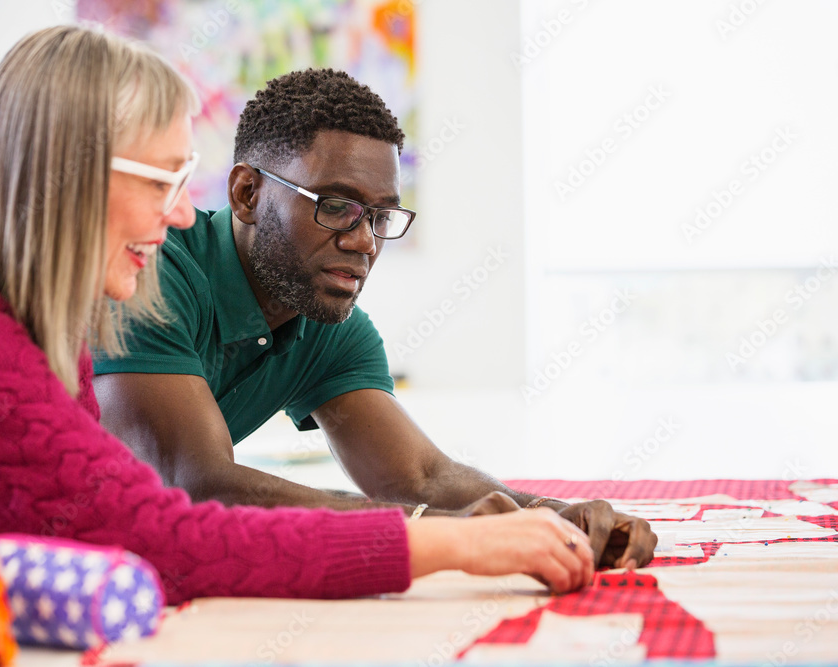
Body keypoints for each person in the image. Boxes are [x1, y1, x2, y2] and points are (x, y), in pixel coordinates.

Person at [0, 26, 596, 603]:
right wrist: (442, 542)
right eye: (163, 181)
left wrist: (544, 518)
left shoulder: (40, 313)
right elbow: (157, 527)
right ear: (72, 173)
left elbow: (56, 531)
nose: (176, 216)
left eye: (379, 216)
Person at [92, 68, 658, 571]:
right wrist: (438, 534)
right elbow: (191, 482)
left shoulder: (330, 323)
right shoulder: (153, 268)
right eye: (335, 206)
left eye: (380, 215)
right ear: (247, 193)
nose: (364, 240)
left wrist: (558, 519)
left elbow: (421, 478)